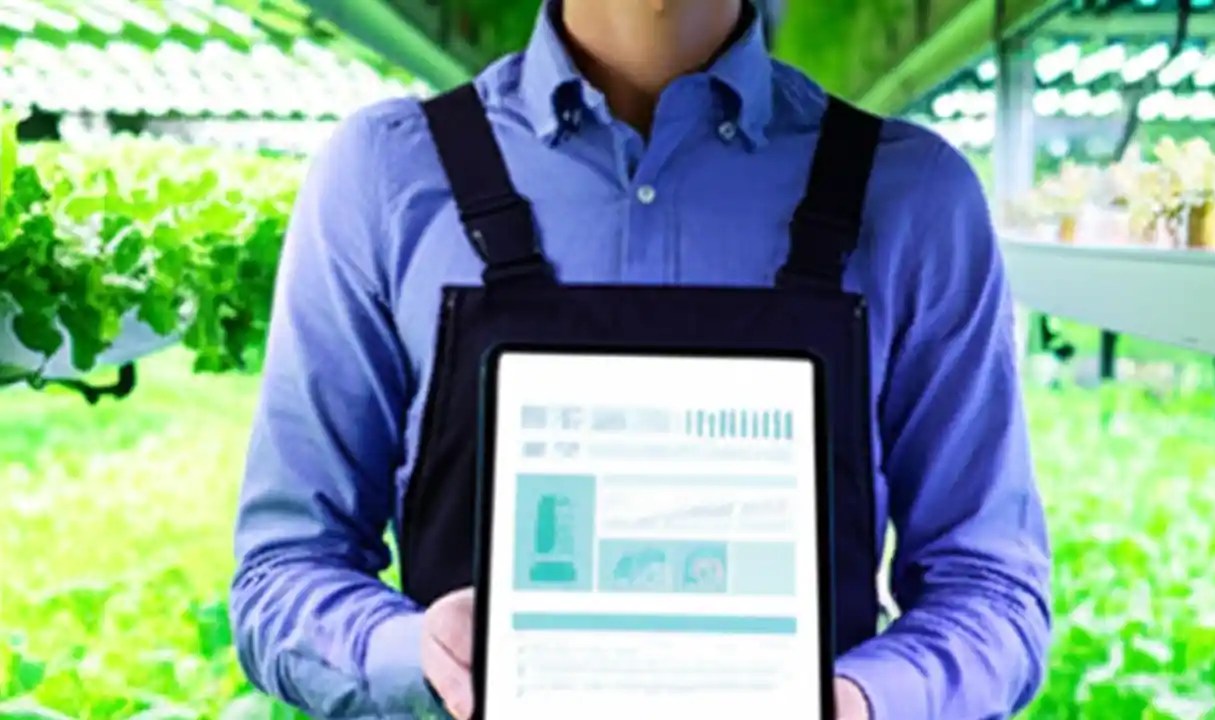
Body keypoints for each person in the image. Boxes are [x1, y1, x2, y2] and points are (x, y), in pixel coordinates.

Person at [229, 0, 1052, 718]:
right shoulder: (387, 176)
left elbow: (993, 592)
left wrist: (861, 701)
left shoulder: (911, 197)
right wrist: (410, 652)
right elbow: (285, 568)